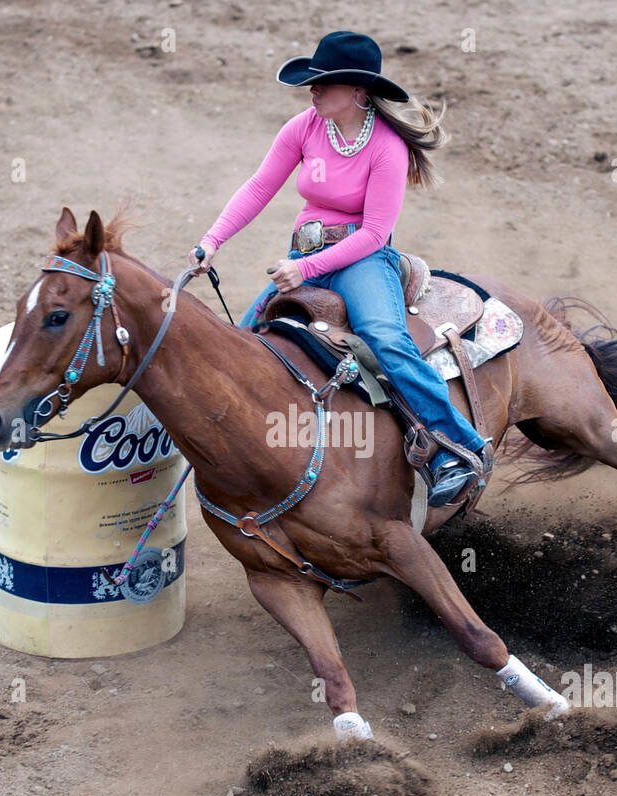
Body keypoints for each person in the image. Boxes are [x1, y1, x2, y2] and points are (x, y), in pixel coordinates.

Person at [188, 30, 489, 508]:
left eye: (323, 83)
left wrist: (306, 271)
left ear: (357, 91)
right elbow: (258, 187)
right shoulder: (303, 127)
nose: (313, 90)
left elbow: (373, 233)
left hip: (362, 260)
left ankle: (456, 450)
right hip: (304, 257)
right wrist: (211, 241)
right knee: (242, 342)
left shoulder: (387, 147)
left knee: (387, 338)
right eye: (313, 82)